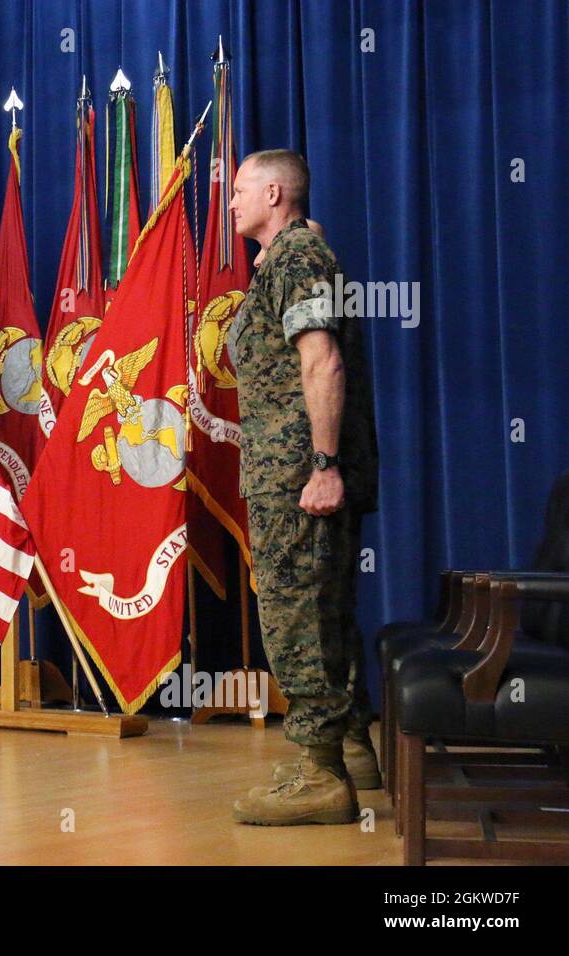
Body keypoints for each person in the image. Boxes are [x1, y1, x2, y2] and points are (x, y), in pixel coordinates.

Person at [225, 150, 379, 825]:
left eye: (239, 191)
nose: (231, 204)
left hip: (298, 474)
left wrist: (322, 464)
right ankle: (350, 747)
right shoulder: (292, 259)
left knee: (299, 615)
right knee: (326, 607)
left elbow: (323, 360)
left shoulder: (295, 259)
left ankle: (318, 775)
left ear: (276, 191)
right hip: (293, 470)